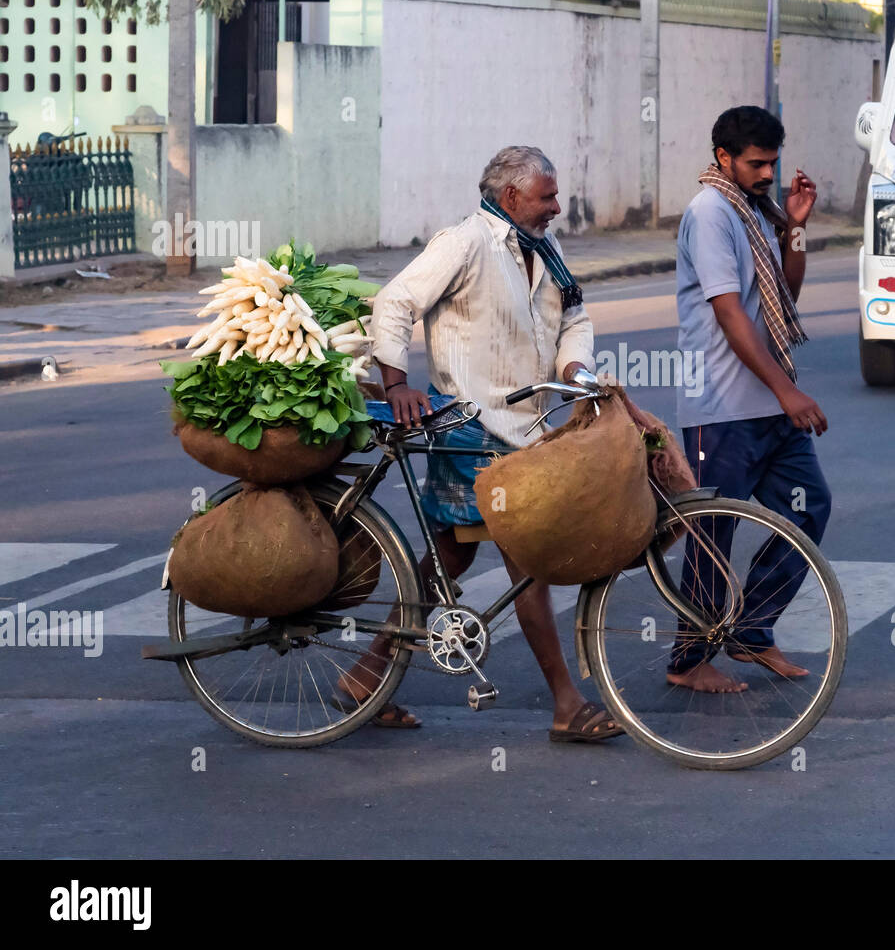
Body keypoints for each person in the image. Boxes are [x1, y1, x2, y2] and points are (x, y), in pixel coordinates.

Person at [344, 145, 622, 742]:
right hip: (471, 427)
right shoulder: (465, 242)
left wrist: (575, 370)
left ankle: (368, 674)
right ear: (510, 196)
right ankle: (567, 705)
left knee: (451, 553)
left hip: (526, 429)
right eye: (546, 196)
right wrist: (396, 384)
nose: (556, 206)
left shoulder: (545, 249)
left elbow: (575, 318)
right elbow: (395, 302)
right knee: (527, 563)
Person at [669, 105, 832, 694]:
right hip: (722, 405)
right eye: (756, 163)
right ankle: (689, 660)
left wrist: (796, 226)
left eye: (771, 162)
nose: (767, 173)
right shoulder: (711, 212)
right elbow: (731, 314)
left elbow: (781, 298)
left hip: (767, 403)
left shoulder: (756, 211)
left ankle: (751, 629)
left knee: (809, 507)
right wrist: (787, 390)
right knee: (713, 535)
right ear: (724, 158)